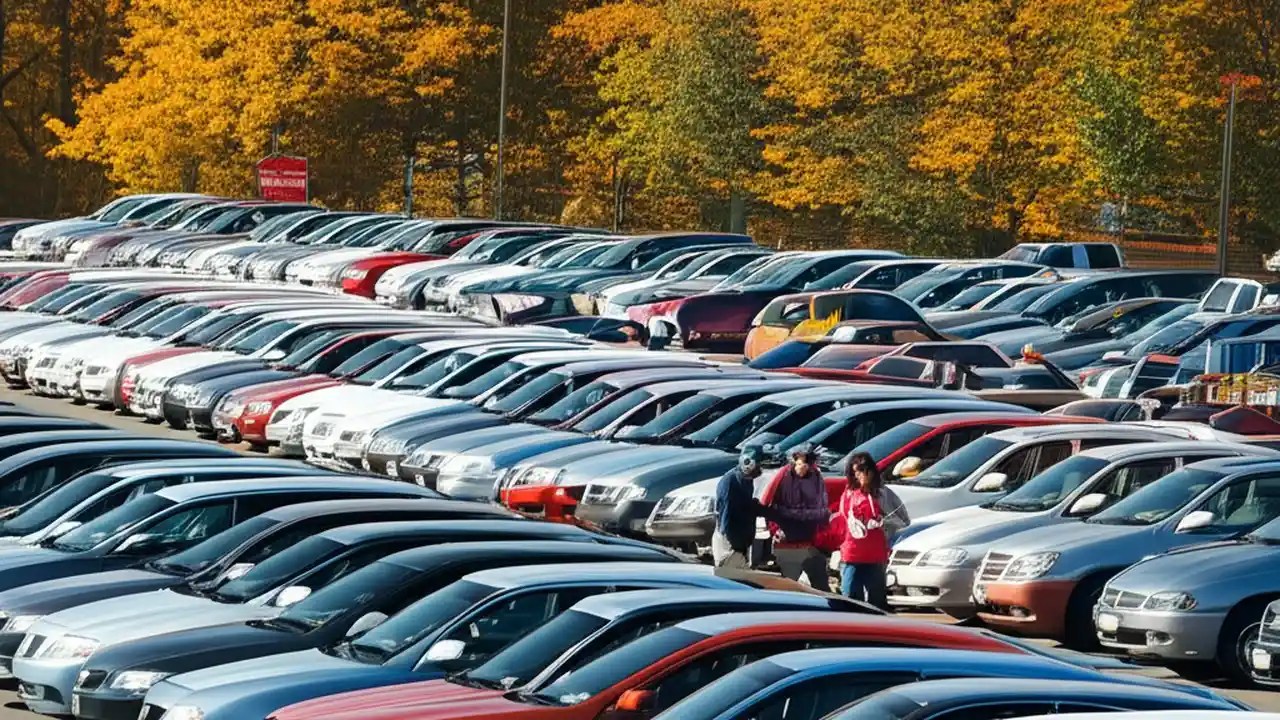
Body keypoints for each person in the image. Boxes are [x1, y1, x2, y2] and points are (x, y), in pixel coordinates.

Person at [838, 451, 910, 609]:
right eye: (856, 472)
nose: (861, 476)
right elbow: (843, 520)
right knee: (849, 597)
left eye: (864, 471)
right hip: (852, 553)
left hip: (875, 555)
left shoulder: (883, 494)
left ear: (872, 471)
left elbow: (904, 520)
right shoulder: (848, 494)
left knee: (876, 601)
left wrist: (883, 522)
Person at [765, 445, 832, 591]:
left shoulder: (816, 477)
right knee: (787, 584)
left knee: (820, 582)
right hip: (787, 539)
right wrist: (776, 529)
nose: (802, 467)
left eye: (806, 464)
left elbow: (822, 508)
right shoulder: (783, 477)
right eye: (799, 463)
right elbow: (771, 505)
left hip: (809, 539)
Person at [712, 446, 767, 568]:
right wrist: (736, 548)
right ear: (748, 462)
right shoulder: (731, 482)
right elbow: (727, 517)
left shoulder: (746, 480)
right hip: (730, 543)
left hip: (741, 542)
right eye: (758, 464)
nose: (761, 469)